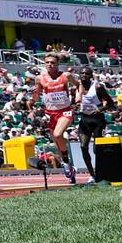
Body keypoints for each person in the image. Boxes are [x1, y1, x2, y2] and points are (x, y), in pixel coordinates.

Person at [32, 53, 77, 182]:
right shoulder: (40, 78)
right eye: (47, 62)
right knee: (57, 142)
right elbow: (36, 97)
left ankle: (66, 163)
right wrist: (35, 94)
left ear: (57, 64)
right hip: (50, 113)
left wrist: (78, 96)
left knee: (57, 135)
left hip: (65, 111)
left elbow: (78, 85)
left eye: (52, 62)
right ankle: (68, 165)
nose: (50, 64)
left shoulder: (65, 76)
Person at [74, 67, 116, 182]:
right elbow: (75, 103)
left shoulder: (97, 87)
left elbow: (110, 103)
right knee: (83, 147)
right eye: (82, 73)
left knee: (97, 149)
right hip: (84, 120)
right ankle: (92, 175)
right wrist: (75, 106)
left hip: (97, 120)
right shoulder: (77, 87)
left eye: (86, 73)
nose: (83, 75)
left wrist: (100, 109)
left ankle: (101, 172)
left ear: (91, 76)